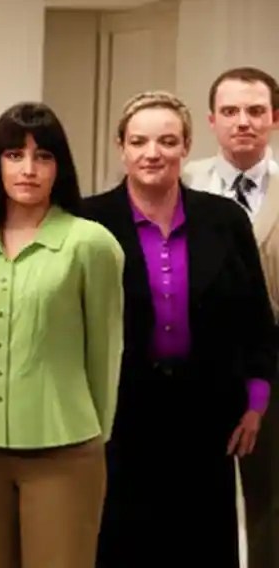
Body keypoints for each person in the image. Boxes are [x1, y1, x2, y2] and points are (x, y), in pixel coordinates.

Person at [83, 91, 276, 568]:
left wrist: (255, 404)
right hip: (119, 414)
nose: (153, 153)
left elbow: (255, 317)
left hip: (206, 413)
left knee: (201, 543)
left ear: (186, 146)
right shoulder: (91, 222)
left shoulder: (224, 220)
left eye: (168, 141)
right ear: (121, 147)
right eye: (140, 141)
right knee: (121, 542)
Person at [0, 102, 124, 568]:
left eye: (43, 156)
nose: (28, 169)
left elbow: (105, 352)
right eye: (14, 156)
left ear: (59, 167)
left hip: (64, 450)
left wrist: (94, 437)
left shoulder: (91, 243)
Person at [183, 67, 279, 568]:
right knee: (193, 503)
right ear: (212, 121)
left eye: (256, 111)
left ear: (275, 119)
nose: (243, 122)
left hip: (275, 372)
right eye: (231, 111)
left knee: (272, 507)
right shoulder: (178, 181)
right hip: (198, 372)